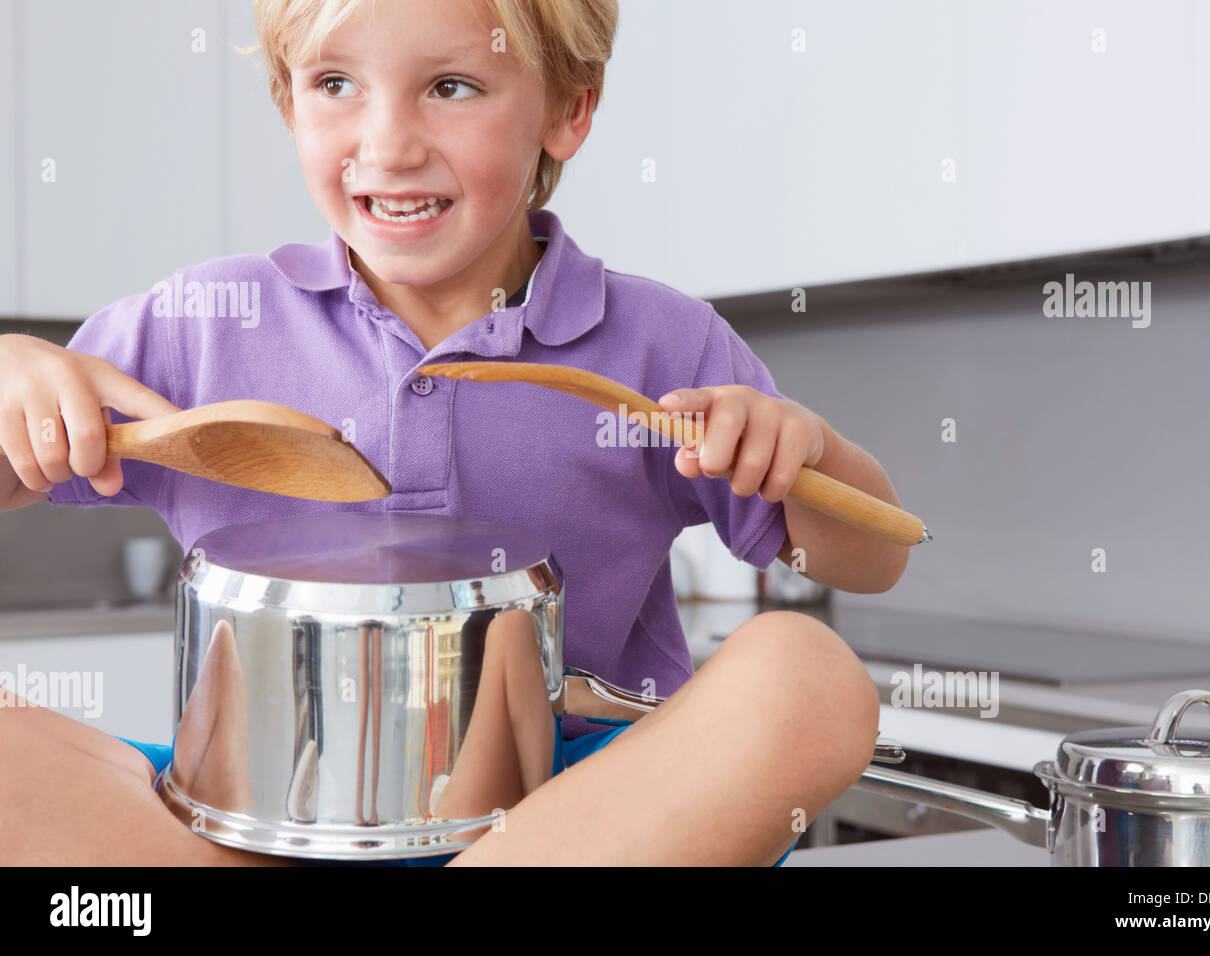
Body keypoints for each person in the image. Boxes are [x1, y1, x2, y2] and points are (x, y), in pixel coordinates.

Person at [0, 0, 908, 866]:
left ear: (568, 109)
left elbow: (870, 560)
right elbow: (23, 458)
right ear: (289, 102)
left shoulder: (662, 345)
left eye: (451, 86)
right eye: (334, 84)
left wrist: (804, 456)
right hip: (256, 815)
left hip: (573, 813)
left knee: (808, 672)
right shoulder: (200, 323)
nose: (386, 145)